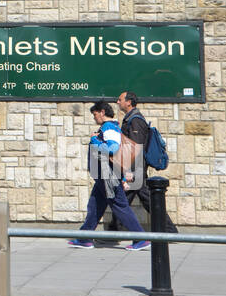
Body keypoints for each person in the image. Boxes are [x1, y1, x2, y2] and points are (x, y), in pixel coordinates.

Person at [68, 100, 150, 249]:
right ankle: (84, 238)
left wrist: (94, 141)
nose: (94, 118)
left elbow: (112, 149)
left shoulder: (108, 127)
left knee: (120, 206)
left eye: (95, 115)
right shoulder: (109, 127)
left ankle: (140, 238)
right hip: (103, 177)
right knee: (95, 205)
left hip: (108, 176)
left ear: (102, 112)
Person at [116, 90, 178, 233]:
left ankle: (114, 230)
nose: (118, 102)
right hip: (135, 168)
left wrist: (129, 171)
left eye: (120, 100)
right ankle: (169, 229)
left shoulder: (135, 120)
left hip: (135, 168)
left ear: (129, 102)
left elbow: (135, 147)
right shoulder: (130, 118)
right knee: (141, 200)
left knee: (122, 201)